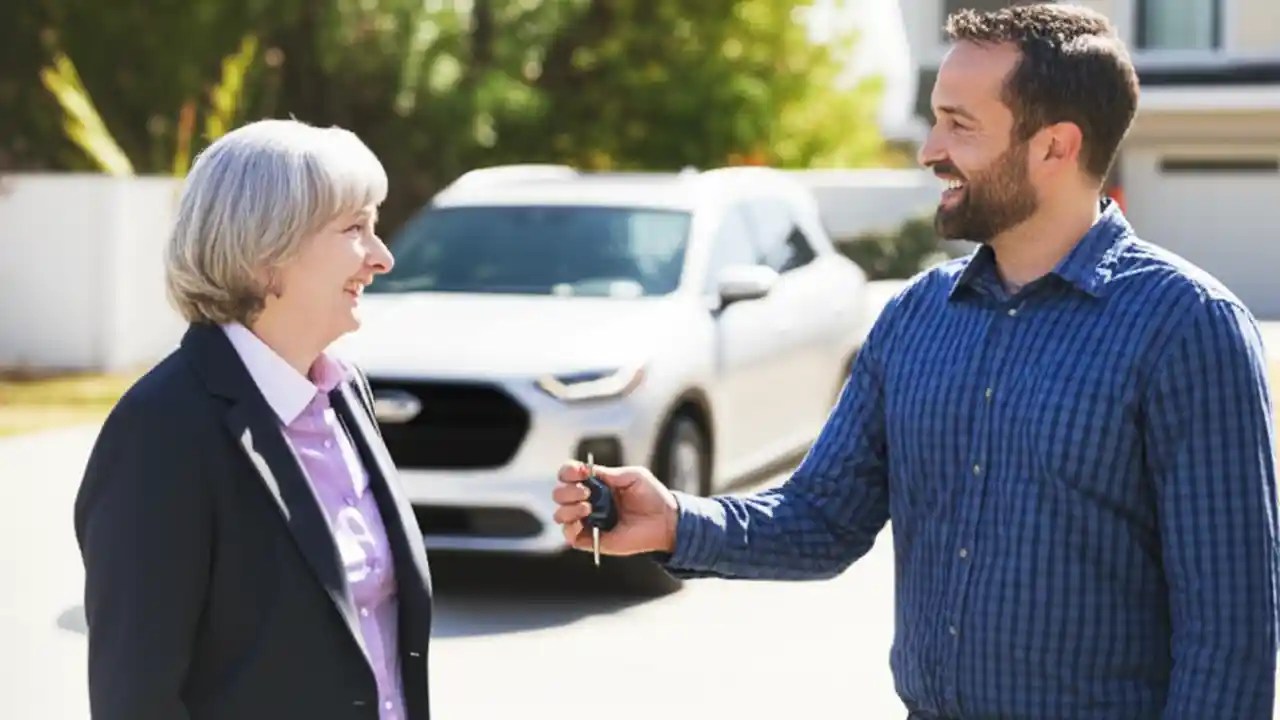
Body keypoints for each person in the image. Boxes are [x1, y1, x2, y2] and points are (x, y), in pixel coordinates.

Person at [552, 5, 1279, 719]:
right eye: (936, 117)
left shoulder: (1189, 329)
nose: (930, 149)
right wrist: (675, 519)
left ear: (1055, 146)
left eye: (960, 124)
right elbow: (820, 518)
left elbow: (1230, 636)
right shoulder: (916, 317)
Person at [73, 119, 434, 720]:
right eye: (355, 229)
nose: (383, 257)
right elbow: (135, 697)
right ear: (268, 254)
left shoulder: (346, 393)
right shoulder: (161, 430)